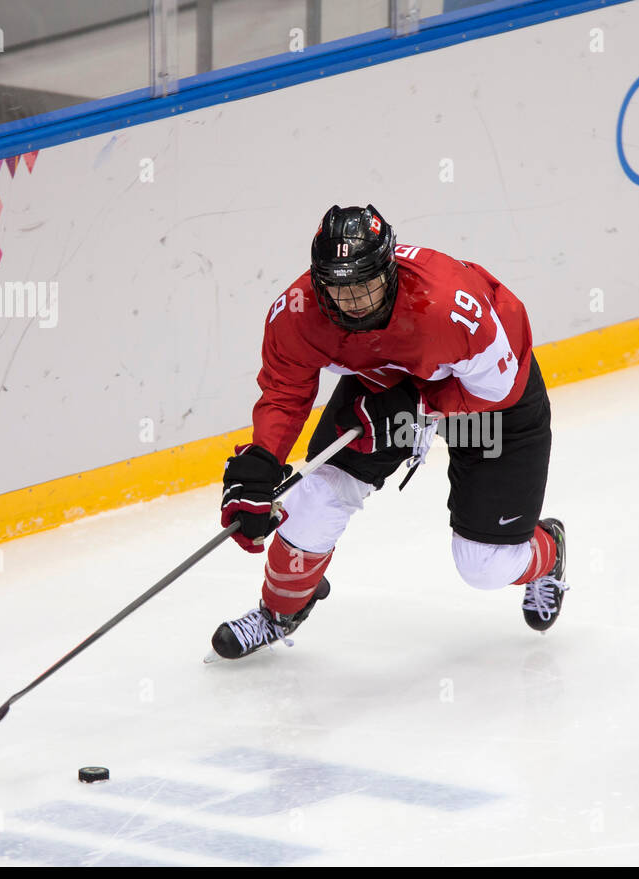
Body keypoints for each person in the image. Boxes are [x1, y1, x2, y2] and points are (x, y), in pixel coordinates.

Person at [208, 204, 566, 660]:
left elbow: (500, 386)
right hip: (384, 388)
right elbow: (283, 391)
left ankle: (548, 551)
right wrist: (262, 459)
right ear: (319, 282)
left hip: (485, 407)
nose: (354, 299)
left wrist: (420, 406)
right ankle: (279, 613)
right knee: (313, 500)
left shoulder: (448, 306)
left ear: (390, 269)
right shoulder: (296, 314)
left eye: (365, 283)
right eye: (339, 287)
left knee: (484, 566)